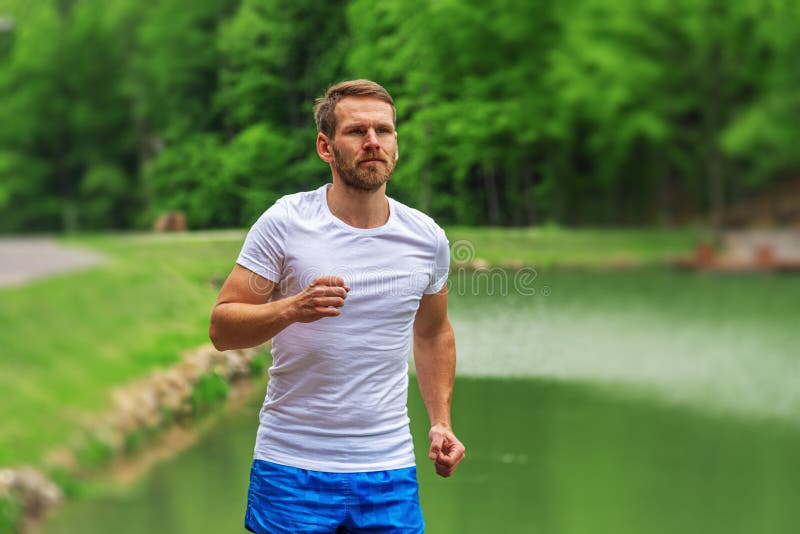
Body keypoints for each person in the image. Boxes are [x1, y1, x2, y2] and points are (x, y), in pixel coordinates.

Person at [209, 79, 466, 533]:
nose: (373, 142)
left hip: (389, 470)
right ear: (325, 147)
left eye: (383, 131)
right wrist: (291, 309)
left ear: (396, 145)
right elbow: (223, 327)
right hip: (291, 468)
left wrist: (441, 422)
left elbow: (432, 333)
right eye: (357, 131)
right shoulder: (286, 223)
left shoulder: (427, 238)